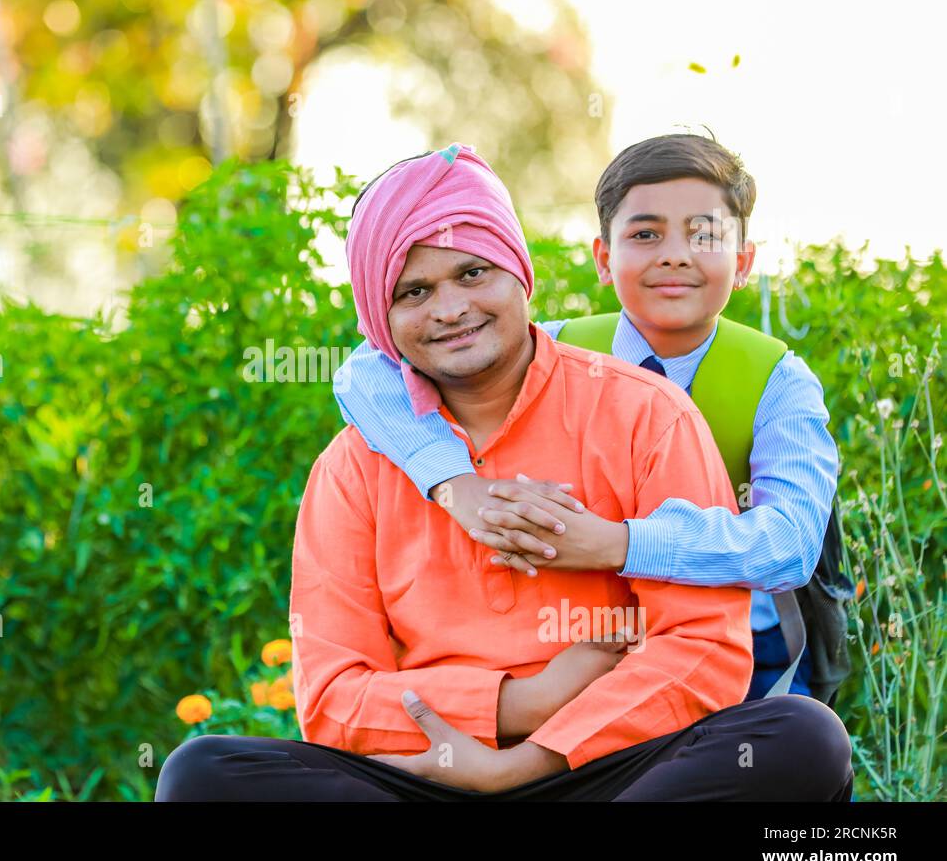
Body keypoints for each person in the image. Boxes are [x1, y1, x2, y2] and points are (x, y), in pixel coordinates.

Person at [155, 144, 853, 801]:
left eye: (471, 273)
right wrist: (517, 704)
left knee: (800, 741)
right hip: (432, 771)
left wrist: (534, 756)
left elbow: (701, 648)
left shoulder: (645, 414)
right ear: (379, 316)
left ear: (519, 272)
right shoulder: (356, 465)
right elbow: (334, 694)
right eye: (413, 292)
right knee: (204, 775)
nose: (451, 309)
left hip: (609, 765)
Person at [332, 133, 842, 701]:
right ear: (603, 258)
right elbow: (367, 371)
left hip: (745, 649)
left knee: (788, 749)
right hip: (588, 649)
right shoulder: (550, 349)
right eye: (645, 234)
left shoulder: (777, 380)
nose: (674, 254)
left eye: (704, 234)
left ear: (743, 262)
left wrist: (616, 544)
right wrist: (455, 484)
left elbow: (791, 543)